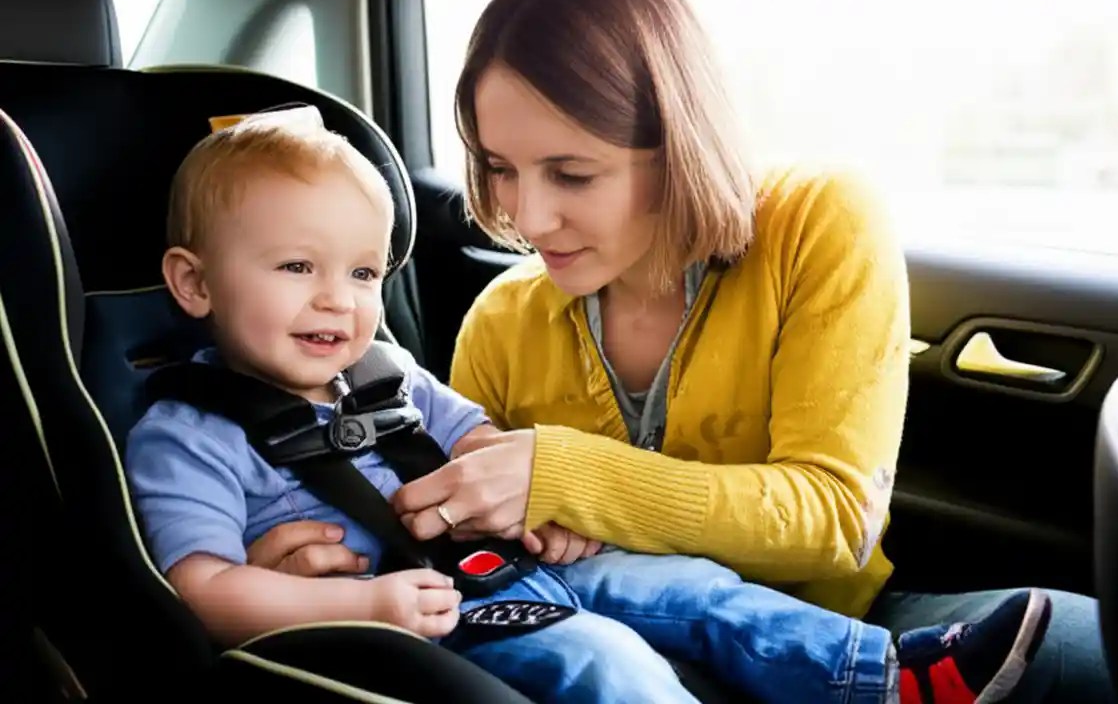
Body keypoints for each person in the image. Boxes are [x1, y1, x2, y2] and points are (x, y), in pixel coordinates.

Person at [125, 105, 1054, 704]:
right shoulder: (192, 433)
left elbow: (482, 441)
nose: (341, 299)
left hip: (502, 564)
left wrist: (543, 505)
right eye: (297, 268)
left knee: (693, 590)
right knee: (608, 667)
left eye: (365, 272)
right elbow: (202, 592)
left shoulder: (386, 375)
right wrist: (361, 603)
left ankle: (892, 679)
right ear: (193, 283)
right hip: (426, 615)